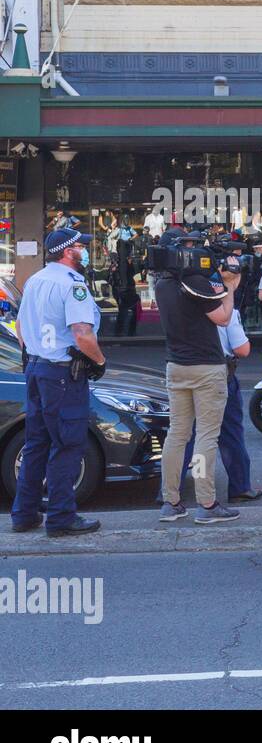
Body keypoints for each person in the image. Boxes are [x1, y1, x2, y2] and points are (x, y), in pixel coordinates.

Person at [9, 230, 106, 537]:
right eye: (80, 246)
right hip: (63, 374)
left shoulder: (36, 280)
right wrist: (100, 361)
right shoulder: (72, 284)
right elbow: (81, 332)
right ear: (66, 252)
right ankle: (61, 516)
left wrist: (33, 354)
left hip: (37, 370)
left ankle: (24, 513)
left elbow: (20, 325)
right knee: (67, 444)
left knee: (36, 443)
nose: (84, 250)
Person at [155, 233, 242, 524]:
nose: (194, 252)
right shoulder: (193, 282)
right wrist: (229, 286)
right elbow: (224, 318)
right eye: (190, 246)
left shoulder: (162, 283)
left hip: (175, 366)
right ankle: (207, 504)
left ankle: (171, 501)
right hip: (206, 368)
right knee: (206, 436)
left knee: (177, 434)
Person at [180, 309, 262, 503]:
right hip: (218, 375)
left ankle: (170, 491)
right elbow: (242, 349)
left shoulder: (180, 307)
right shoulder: (226, 312)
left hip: (185, 372)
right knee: (230, 434)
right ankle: (239, 486)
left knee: (184, 436)